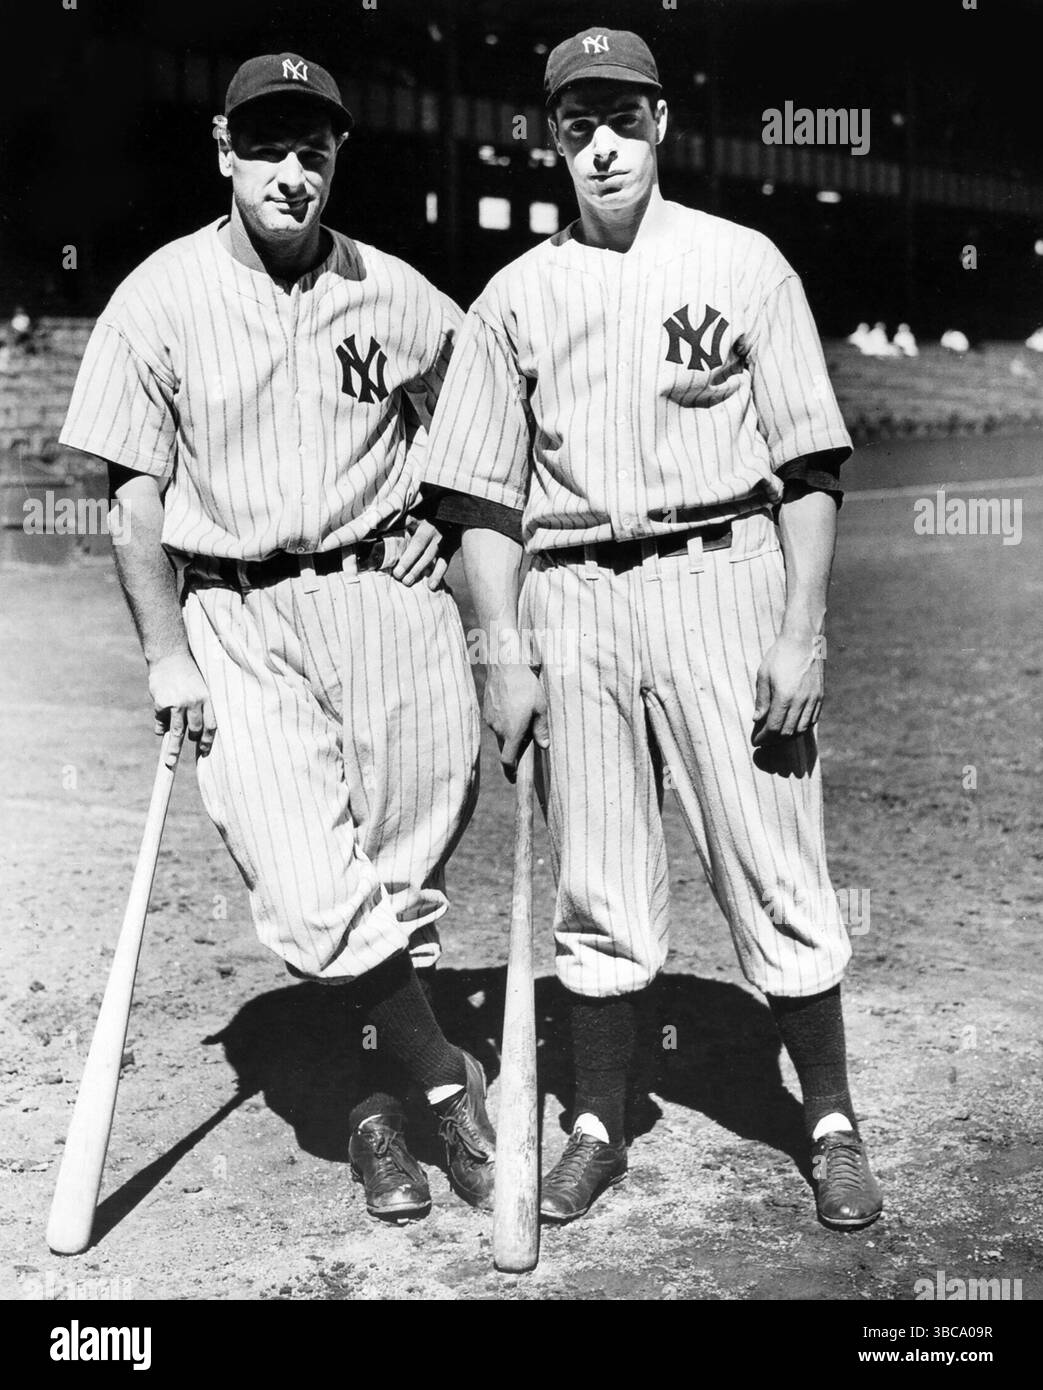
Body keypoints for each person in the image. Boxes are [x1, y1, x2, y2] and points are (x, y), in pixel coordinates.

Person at [423, 27, 882, 1230]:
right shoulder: (513, 296)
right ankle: (594, 1122)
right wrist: (498, 648)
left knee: (772, 852)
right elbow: (479, 496)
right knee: (596, 878)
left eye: (623, 118)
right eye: (578, 125)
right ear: (551, 140)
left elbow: (810, 464)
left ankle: (827, 1119)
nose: (603, 146)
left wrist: (801, 631)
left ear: (662, 121)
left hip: (720, 576)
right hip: (570, 594)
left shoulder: (743, 263)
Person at [59, 52, 494, 1222]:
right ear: (223, 150)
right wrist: (164, 652)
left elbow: (490, 415)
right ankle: (445, 1078)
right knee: (310, 889)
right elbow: (133, 503)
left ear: (337, 157)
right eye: (268, 147)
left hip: (386, 602)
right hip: (235, 610)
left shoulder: (396, 290)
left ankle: (372, 1120)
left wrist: (438, 521)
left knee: (403, 882)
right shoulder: (159, 295)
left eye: (312, 149)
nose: (291, 172)